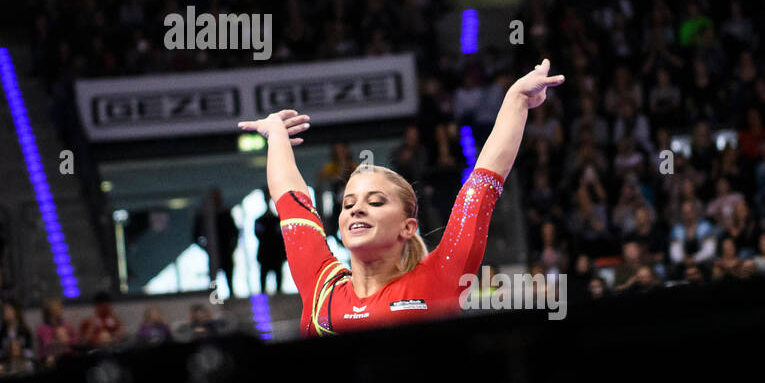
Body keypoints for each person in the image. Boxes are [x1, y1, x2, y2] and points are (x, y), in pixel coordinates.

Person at [238, 59, 564, 336]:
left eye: (375, 201)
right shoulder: (322, 286)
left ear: (408, 227)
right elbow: (292, 202)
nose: (356, 210)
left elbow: (481, 186)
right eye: (348, 203)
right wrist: (276, 136)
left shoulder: (439, 277)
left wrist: (516, 100)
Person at [193, 188, 239, 300]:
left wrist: (232, 246)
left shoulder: (225, 214)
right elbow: (195, 236)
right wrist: (207, 248)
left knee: (229, 275)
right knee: (214, 278)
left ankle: (231, 296)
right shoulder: (204, 216)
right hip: (214, 252)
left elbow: (234, 232)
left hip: (226, 250)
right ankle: (214, 297)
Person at [253, 189, 287, 294]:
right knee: (265, 277)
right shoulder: (262, 220)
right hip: (267, 253)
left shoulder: (275, 220)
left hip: (274, 253)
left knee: (276, 277)